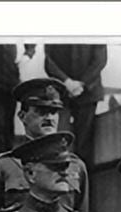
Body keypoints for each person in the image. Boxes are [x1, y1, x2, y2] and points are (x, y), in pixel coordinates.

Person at [0, 77, 89, 212]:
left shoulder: (76, 167)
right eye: (41, 111)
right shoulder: (1, 168)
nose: (49, 117)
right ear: (22, 116)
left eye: (54, 111)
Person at [44, 44, 108, 172]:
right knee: (58, 143)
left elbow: (100, 60)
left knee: (84, 147)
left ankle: (83, 188)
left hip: (88, 94)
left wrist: (82, 84)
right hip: (61, 94)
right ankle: (60, 188)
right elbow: (48, 61)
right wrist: (66, 82)